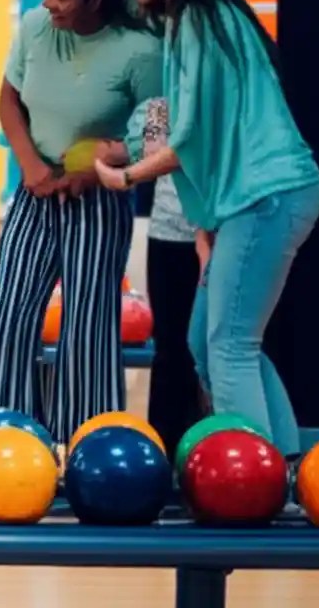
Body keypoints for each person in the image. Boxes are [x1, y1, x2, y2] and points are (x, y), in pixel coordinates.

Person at [94, 0, 319, 458]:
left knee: (230, 345)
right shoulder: (208, 19)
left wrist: (121, 176)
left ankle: (255, 482)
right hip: (251, 202)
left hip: (268, 197)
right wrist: (207, 225)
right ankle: (285, 466)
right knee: (207, 340)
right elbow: (212, 133)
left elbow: (190, 138)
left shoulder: (198, 18)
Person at [0, 0, 162, 450]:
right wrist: (29, 165)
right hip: (37, 189)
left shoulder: (139, 51)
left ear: (95, 0)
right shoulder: (34, 27)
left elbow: (155, 135)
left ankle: (85, 449)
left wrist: (95, 170)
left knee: (88, 330)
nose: (48, 3)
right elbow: (9, 100)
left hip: (98, 197)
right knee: (7, 314)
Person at [131, 97, 208, 460]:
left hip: (216, 229)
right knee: (170, 349)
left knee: (209, 352)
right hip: (167, 230)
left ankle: (209, 451)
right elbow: (151, 152)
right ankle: (165, 455)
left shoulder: (214, 77)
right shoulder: (161, 89)